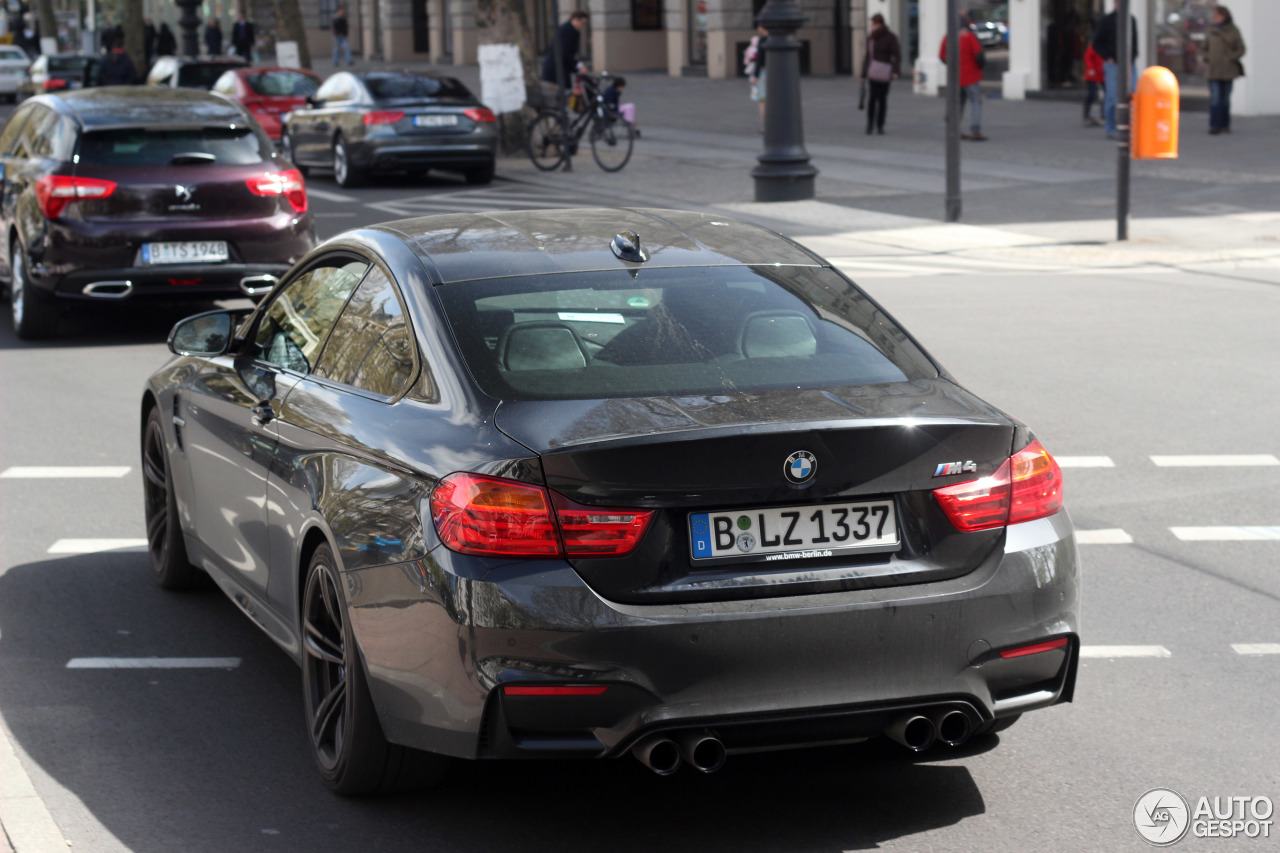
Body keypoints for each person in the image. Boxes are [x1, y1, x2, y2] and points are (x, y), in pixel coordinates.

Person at [1091, 8, 1138, 139]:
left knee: (1132, 95)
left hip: (1129, 63)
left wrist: (1133, 56)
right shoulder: (1107, 20)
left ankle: (1130, 127)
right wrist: (1107, 57)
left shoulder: (1131, 19)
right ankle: (1111, 128)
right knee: (1112, 96)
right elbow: (1097, 43)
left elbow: (1134, 40)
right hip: (1113, 64)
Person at [939, 14, 986, 141]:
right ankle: (975, 129)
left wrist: (952, 66)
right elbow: (979, 55)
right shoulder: (969, 37)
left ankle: (954, 128)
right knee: (976, 101)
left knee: (958, 103)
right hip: (970, 75)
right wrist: (980, 67)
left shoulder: (947, 37)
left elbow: (942, 56)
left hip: (955, 77)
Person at [1203, 5, 1245, 135]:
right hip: (1213, 70)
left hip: (1228, 70)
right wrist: (1208, 57)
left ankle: (1225, 124)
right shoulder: (1210, 30)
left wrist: (1230, 58)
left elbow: (1241, 48)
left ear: (1224, 16)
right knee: (1215, 99)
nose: (1215, 18)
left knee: (1225, 100)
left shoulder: (1233, 30)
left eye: (1217, 16)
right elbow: (1203, 49)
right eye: (1214, 16)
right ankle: (1214, 125)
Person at [860, 13, 901, 136]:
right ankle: (870, 124)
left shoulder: (890, 37)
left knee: (882, 99)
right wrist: (863, 73)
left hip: (885, 72)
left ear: (880, 24)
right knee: (872, 99)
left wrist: (895, 71)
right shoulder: (871, 38)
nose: (871, 27)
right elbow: (868, 56)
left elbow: (897, 55)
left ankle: (880, 125)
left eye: (873, 24)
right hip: (873, 72)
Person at [540, 10, 588, 89]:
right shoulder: (566, 31)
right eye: (583, 23)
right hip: (556, 71)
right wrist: (578, 65)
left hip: (561, 69)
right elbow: (564, 52)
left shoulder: (573, 31)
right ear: (575, 20)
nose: (583, 26)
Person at [744, 24, 767, 133]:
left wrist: (755, 76)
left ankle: (766, 126)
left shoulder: (763, 40)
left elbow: (759, 60)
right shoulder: (777, 37)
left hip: (763, 73)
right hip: (776, 73)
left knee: (762, 100)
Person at [1082, 43, 1103, 127]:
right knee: (1092, 94)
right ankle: (1086, 115)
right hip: (1093, 75)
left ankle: (1103, 115)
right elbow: (1088, 57)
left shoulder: (1106, 46)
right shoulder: (1094, 46)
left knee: (1107, 95)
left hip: (1102, 75)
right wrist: (1091, 68)